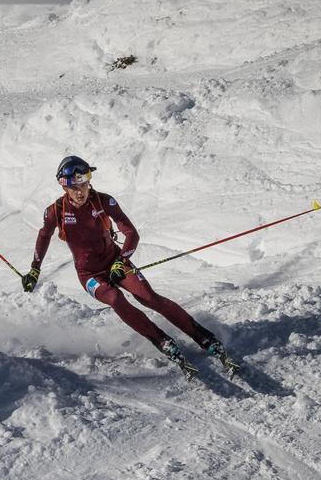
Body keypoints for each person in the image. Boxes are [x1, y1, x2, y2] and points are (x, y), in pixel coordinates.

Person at [22, 155, 234, 376]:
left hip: (116, 263)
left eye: (84, 184)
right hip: (89, 274)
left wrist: (121, 262)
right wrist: (35, 268)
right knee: (115, 299)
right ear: (64, 187)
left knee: (149, 298)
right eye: (75, 187)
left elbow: (131, 233)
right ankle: (162, 341)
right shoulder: (55, 211)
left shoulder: (104, 201)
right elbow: (44, 235)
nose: (80, 191)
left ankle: (203, 337)